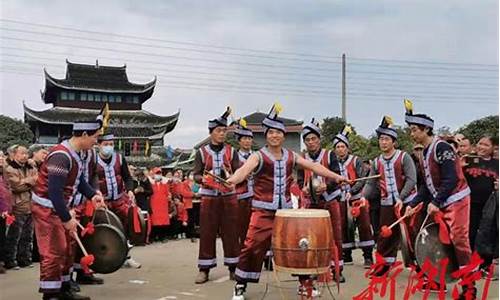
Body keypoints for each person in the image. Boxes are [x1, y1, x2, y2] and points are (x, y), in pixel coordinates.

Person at [227, 104, 348, 300]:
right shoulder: (258, 156)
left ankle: (305, 284)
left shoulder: (292, 156)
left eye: (278, 133)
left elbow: (314, 166)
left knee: (299, 246)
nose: (274, 136)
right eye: (271, 133)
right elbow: (243, 171)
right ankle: (240, 285)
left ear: (283, 136)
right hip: (263, 211)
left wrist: (337, 177)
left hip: (286, 213)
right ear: (266, 136)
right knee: (251, 245)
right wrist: (232, 180)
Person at [404, 99, 474, 298]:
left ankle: (470, 289)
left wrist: (435, 202)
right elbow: (427, 186)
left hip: (457, 200)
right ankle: (438, 281)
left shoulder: (441, 147)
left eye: (415, 130)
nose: (412, 134)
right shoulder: (423, 152)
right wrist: (413, 203)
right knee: (438, 241)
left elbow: (451, 178)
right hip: (442, 202)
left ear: (426, 130)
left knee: (459, 241)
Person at [31, 116, 106, 300]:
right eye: (95, 137)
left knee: (66, 249)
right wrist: (67, 219)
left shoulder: (77, 153)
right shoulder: (60, 156)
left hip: (61, 206)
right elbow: (55, 193)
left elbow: (78, 180)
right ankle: (50, 294)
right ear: (85, 134)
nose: (96, 142)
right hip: (47, 209)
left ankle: (64, 288)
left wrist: (92, 195)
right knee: (54, 250)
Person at [362, 116, 418, 275]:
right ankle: (383, 266)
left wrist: (401, 197)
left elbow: (412, 179)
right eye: (381, 139)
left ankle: (420, 267)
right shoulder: (376, 162)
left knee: (412, 233)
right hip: (386, 202)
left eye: (387, 139)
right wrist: (363, 197)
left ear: (394, 141)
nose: (383, 142)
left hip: (407, 202)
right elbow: (370, 183)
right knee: (385, 235)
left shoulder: (403, 157)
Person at [192, 107, 241, 284]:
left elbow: (238, 172)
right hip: (209, 197)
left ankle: (233, 268)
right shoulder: (201, 152)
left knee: (231, 232)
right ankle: (204, 269)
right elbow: (195, 175)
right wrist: (203, 178)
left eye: (224, 131)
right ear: (211, 133)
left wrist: (232, 177)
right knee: (207, 232)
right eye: (219, 131)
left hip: (228, 197)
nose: (222, 134)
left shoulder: (232, 151)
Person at [297, 118, 345, 282]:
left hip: (330, 200)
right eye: (308, 140)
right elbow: (299, 179)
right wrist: (303, 188)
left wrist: (328, 186)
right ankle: (316, 268)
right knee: (314, 236)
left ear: (319, 139)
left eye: (313, 139)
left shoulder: (329, 154)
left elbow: (336, 175)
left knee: (335, 235)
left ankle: (337, 269)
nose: (311, 142)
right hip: (312, 203)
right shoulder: (302, 158)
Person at [96, 132, 141, 269]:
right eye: (106, 144)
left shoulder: (120, 159)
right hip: (102, 201)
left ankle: (127, 257)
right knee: (104, 230)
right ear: (99, 145)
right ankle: (106, 259)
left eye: (111, 144)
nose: (109, 147)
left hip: (119, 199)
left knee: (125, 226)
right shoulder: (93, 160)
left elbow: (127, 177)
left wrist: (130, 190)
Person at [333, 126, 374, 268]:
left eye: (342, 146)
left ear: (347, 148)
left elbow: (362, 179)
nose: (340, 149)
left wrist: (352, 189)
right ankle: (347, 254)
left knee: (364, 226)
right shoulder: (334, 163)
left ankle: (368, 256)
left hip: (357, 198)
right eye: (337, 147)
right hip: (342, 199)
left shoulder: (356, 160)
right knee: (343, 227)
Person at [463, 136, 499, 275]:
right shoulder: (468, 161)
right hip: (471, 203)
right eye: (480, 143)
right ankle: (469, 264)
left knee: (488, 233)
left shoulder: (497, 164)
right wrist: (460, 167)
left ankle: (486, 266)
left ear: (492, 148)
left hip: (490, 204)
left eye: (486, 145)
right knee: (470, 234)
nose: (481, 147)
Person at [3, 145, 38, 270]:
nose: (25, 155)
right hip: (17, 205)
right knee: (14, 234)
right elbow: (16, 186)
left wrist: (25, 181)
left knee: (28, 234)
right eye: (22, 153)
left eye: (26, 153)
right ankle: (10, 260)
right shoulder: (10, 168)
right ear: (14, 155)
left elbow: (37, 181)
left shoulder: (31, 166)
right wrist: (30, 181)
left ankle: (25, 259)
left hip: (30, 203)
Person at [233, 118, 254, 249]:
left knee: (257, 227)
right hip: (241, 197)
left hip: (257, 196)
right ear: (239, 141)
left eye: (249, 138)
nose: (247, 141)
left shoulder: (257, 156)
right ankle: (243, 254)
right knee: (242, 227)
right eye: (244, 139)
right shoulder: (234, 157)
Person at [149, 167, 171, 242]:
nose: (158, 175)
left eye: (159, 173)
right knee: (155, 221)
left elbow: (168, 194)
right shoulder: (151, 184)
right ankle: (155, 236)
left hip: (163, 205)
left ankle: (163, 237)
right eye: (157, 173)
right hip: (154, 205)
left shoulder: (165, 184)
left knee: (163, 221)